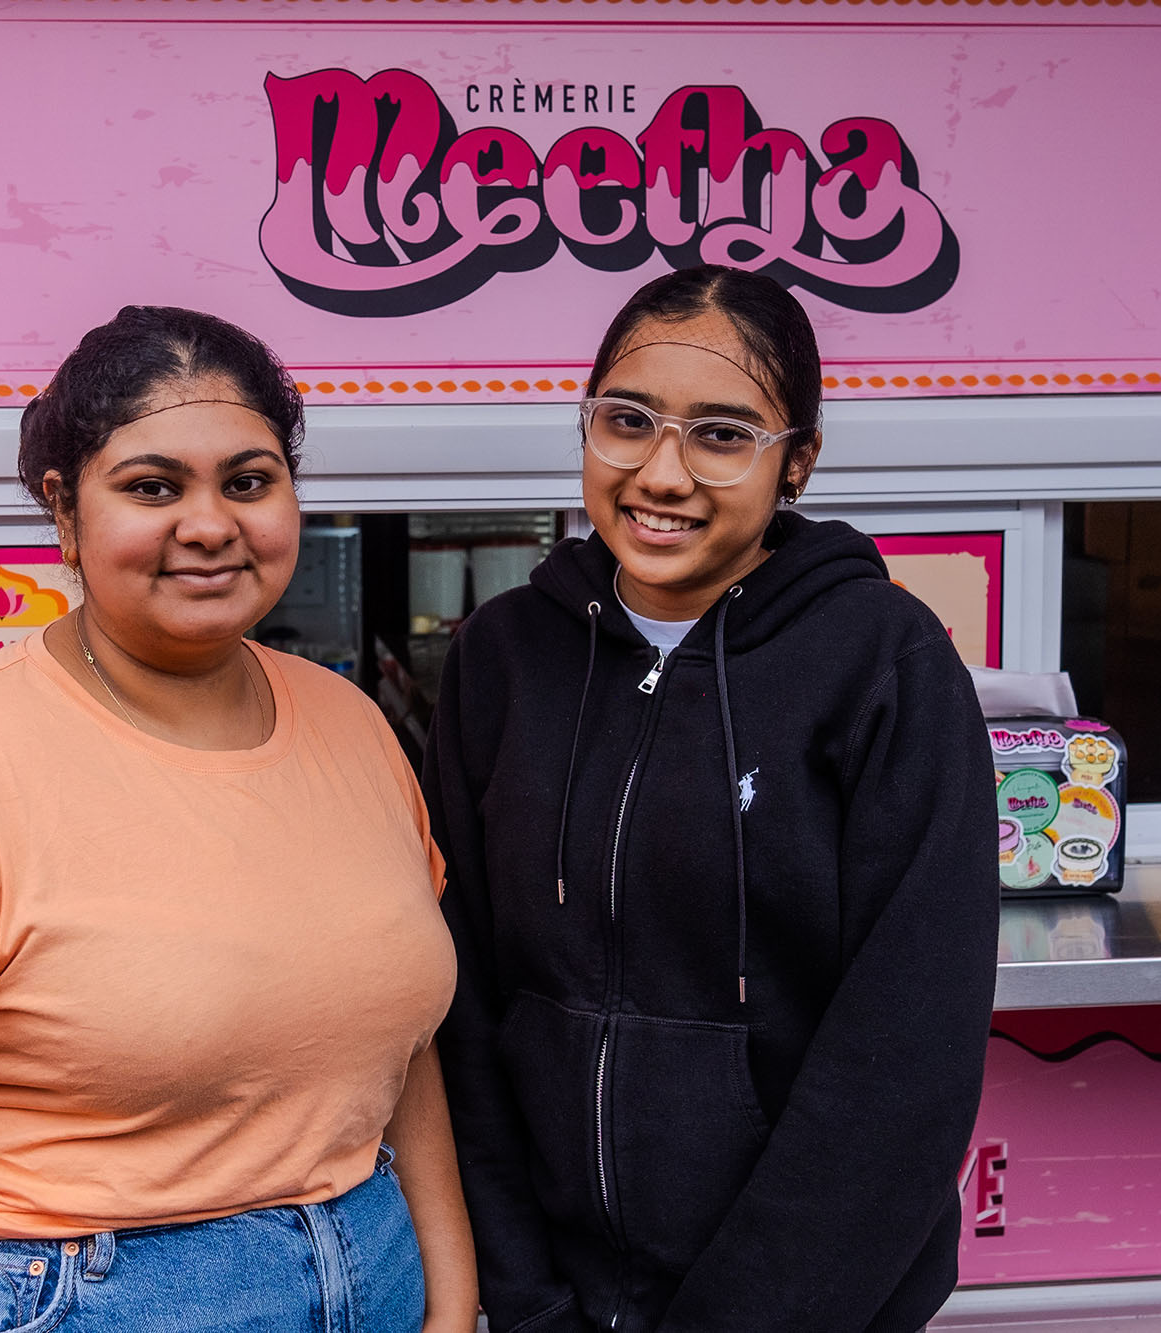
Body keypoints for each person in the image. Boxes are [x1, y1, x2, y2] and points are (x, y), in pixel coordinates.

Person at [0, 305, 478, 1333]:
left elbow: (398, 1055)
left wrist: (450, 1301)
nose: (211, 523)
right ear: (63, 509)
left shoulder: (350, 726)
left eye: (248, 479)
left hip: (371, 1271)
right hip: (75, 1297)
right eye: (151, 486)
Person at [425, 266, 997, 1333]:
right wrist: (524, 1293)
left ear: (798, 461)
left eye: (722, 434)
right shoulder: (503, 656)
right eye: (627, 420)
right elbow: (465, 998)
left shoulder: (881, 663)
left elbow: (902, 1056)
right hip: (553, 1305)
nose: (662, 472)